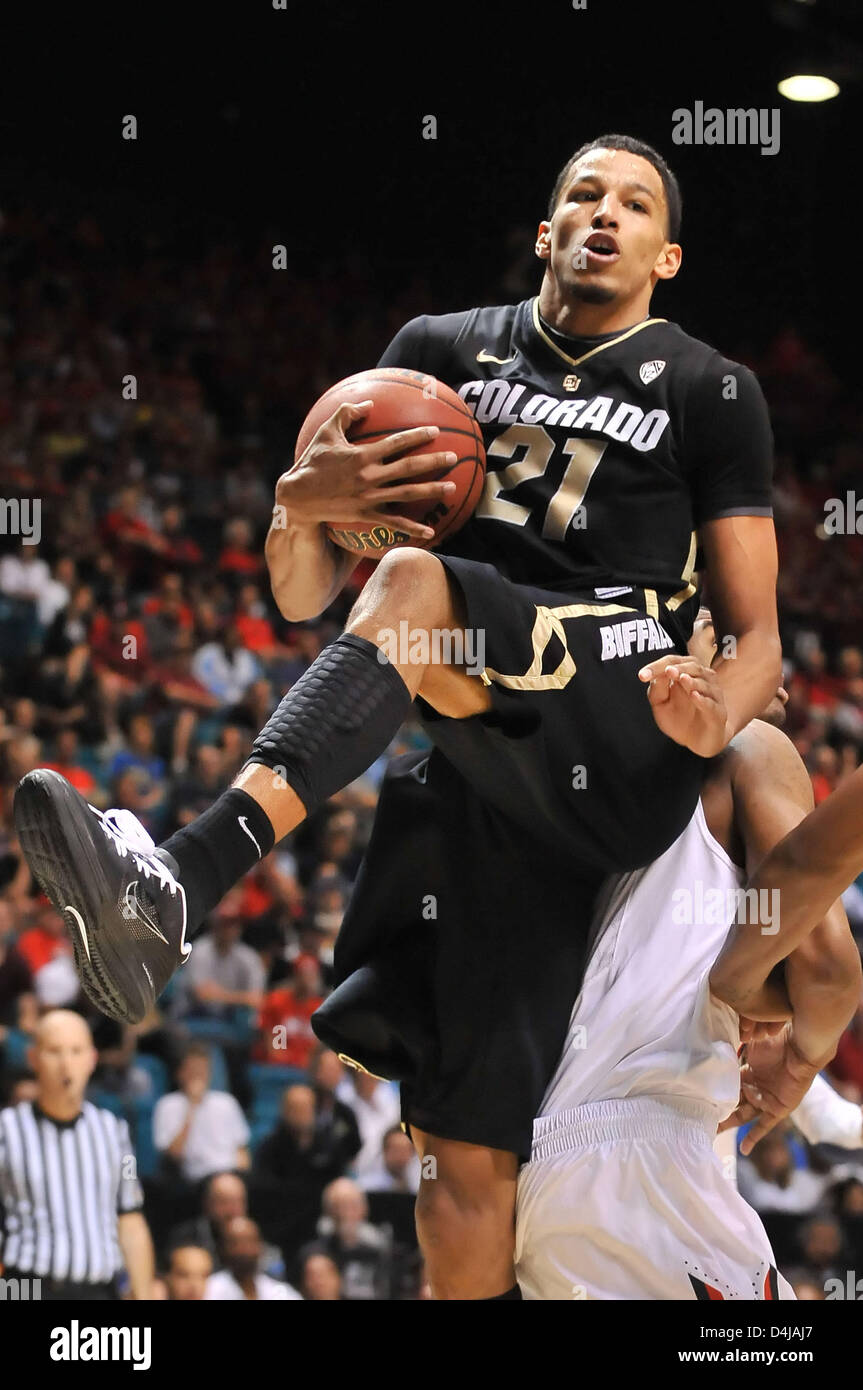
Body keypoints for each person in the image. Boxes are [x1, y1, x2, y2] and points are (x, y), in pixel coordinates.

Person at [14, 134, 782, 1299]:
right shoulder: (436, 353)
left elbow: (758, 631)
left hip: (619, 711)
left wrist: (709, 705)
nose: (603, 214)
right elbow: (304, 592)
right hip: (481, 766)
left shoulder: (706, 389)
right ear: (544, 228)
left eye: (633, 203)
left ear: (664, 254)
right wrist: (296, 501)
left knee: (421, 590)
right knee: (464, 1178)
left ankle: (181, 877)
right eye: (580, 193)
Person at [514, 630, 863, 1298]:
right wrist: (803, 1054)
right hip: (645, 1152)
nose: (778, 676)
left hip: (550, 1160)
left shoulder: (594, 799)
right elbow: (826, 966)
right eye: (741, 640)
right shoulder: (748, 746)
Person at [0, 1009, 155, 1299]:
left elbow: (131, 1218)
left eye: (76, 1051)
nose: (65, 1064)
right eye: (54, 1051)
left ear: (92, 1059)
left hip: (99, 1289)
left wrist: (143, 1293)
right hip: (25, 1287)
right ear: (33, 1059)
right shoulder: (7, 1130)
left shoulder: (115, 1132)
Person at [153, 1042, 250, 1184]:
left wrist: (241, 1176)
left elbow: (242, 1149)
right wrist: (191, 1107)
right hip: (195, 1179)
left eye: (202, 1069)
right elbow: (174, 1155)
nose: (198, 1075)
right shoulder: (167, 1105)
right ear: (180, 1073)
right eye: (192, 1070)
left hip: (229, 1174)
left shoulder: (227, 1102)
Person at [204, 1217, 301, 1300]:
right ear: (222, 1249)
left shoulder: (279, 1291)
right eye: (236, 1243)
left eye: (250, 1241)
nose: (245, 1249)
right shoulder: (210, 1289)